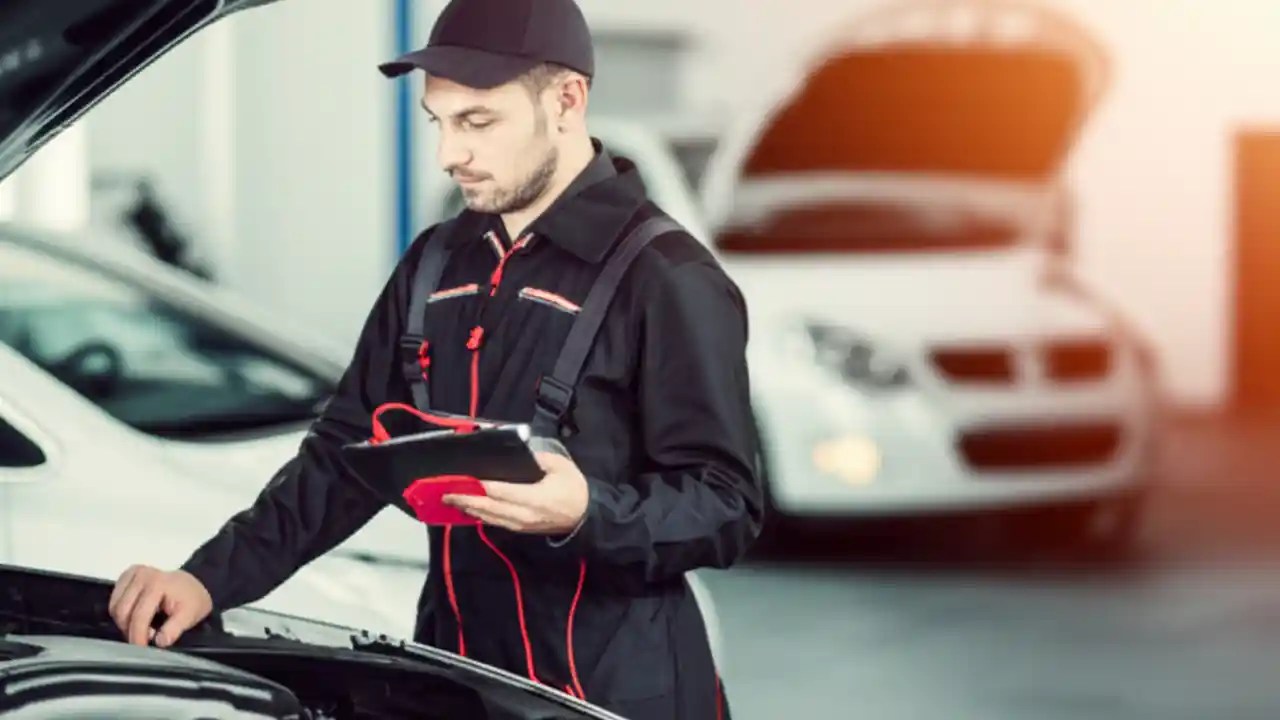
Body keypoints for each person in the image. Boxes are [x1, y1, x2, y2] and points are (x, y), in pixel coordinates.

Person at [106, 0, 763, 716]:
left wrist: (587, 511)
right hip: (456, 680)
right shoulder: (434, 263)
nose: (452, 154)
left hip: (616, 692)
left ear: (567, 100)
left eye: (477, 122)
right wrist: (207, 580)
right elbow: (340, 454)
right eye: (439, 123)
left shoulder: (666, 277)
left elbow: (725, 503)